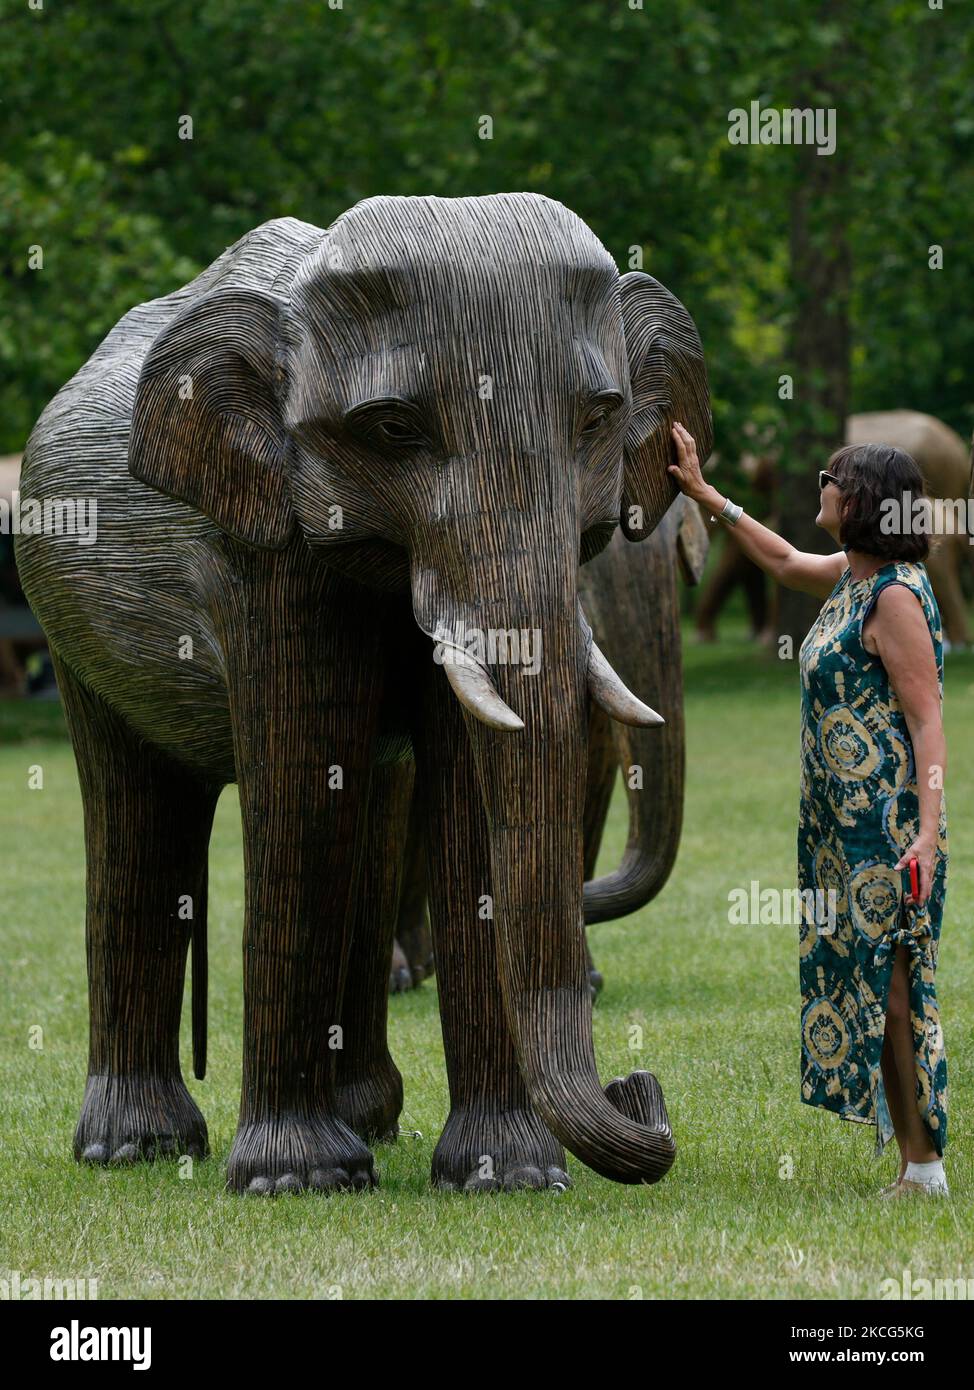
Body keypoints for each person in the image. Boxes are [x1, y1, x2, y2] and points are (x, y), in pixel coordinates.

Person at [668, 421, 949, 1197]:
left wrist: (927, 831)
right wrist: (703, 494)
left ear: (858, 499)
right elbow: (786, 558)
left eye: (831, 475)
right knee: (865, 986)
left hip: (885, 827)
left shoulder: (892, 594)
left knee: (892, 991)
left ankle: (924, 1167)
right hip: (838, 826)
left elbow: (927, 719)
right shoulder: (853, 576)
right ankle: (911, 1159)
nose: (819, 484)